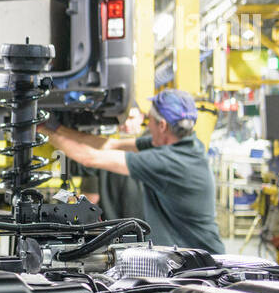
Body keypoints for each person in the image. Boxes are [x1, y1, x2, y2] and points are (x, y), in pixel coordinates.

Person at [44, 89, 225, 253]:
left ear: (162, 126)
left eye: (150, 121)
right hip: (185, 256)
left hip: (203, 262)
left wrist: (42, 129)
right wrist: (56, 127)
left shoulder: (170, 162)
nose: (148, 126)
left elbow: (90, 158)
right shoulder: (185, 144)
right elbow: (110, 145)